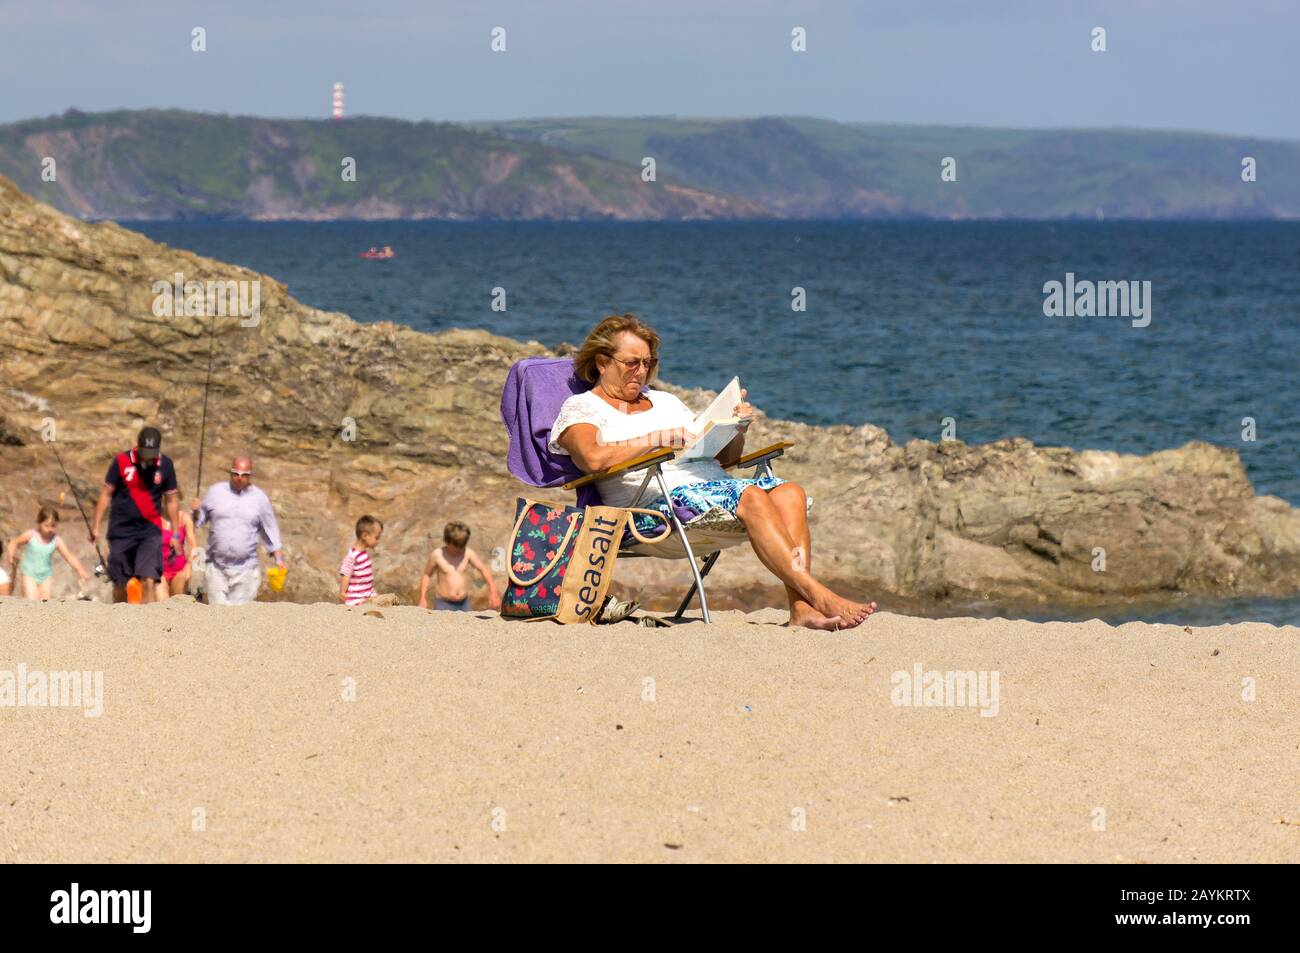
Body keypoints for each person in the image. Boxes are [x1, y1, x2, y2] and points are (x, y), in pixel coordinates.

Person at [549, 313, 877, 631]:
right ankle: (818, 594)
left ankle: (801, 609)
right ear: (602, 362)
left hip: (712, 487)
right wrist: (656, 439)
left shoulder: (665, 401)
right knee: (750, 495)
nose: (641, 371)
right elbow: (592, 459)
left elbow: (727, 458)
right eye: (632, 362)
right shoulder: (582, 407)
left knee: (789, 492)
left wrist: (736, 428)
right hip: (652, 505)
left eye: (649, 363)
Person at [90, 426, 182, 604]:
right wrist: (96, 526)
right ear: (137, 447)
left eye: (152, 452)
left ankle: (146, 623)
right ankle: (119, 617)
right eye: (145, 452)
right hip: (121, 531)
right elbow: (106, 493)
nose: (148, 456)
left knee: (148, 579)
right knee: (121, 584)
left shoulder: (166, 465)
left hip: (150, 531)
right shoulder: (121, 461)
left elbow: (171, 500)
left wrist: (176, 534)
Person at [191, 456, 285, 606]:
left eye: (244, 475)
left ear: (250, 475)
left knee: (239, 618)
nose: (239, 478)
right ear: (230, 473)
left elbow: (270, 528)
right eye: (235, 474)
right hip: (216, 566)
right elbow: (198, 521)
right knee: (216, 613)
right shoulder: (215, 492)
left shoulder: (259, 498)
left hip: (246, 569)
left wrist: (279, 559)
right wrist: (195, 511)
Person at [4, 509, 91, 599]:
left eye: (53, 526)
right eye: (46, 526)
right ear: (39, 523)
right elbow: (14, 542)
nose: (50, 529)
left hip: (45, 575)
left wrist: (80, 570)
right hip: (29, 573)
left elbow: (69, 557)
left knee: (45, 603)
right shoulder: (31, 535)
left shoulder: (56, 540)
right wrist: (10, 555)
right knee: (31, 601)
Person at [418, 521, 500, 611]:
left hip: (464, 603)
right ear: (447, 541)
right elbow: (427, 575)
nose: (459, 549)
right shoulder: (437, 555)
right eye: (456, 546)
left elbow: (483, 570)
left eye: (462, 546)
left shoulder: (468, 553)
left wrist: (493, 593)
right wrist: (422, 598)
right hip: (443, 603)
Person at [157, 510, 199, 600]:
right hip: (159, 571)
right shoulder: (154, 517)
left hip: (179, 571)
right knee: (162, 603)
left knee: (177, 604)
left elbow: (193, 544)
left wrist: (189, 565)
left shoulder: (184, 517)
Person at [340, 515, 381, 605]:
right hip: (356, 597)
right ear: (365, 535)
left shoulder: (364, 554)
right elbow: (346, 574)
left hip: (367, 592)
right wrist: (343, 592)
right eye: (376, 538)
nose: (378, 541)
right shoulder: (352, 556)